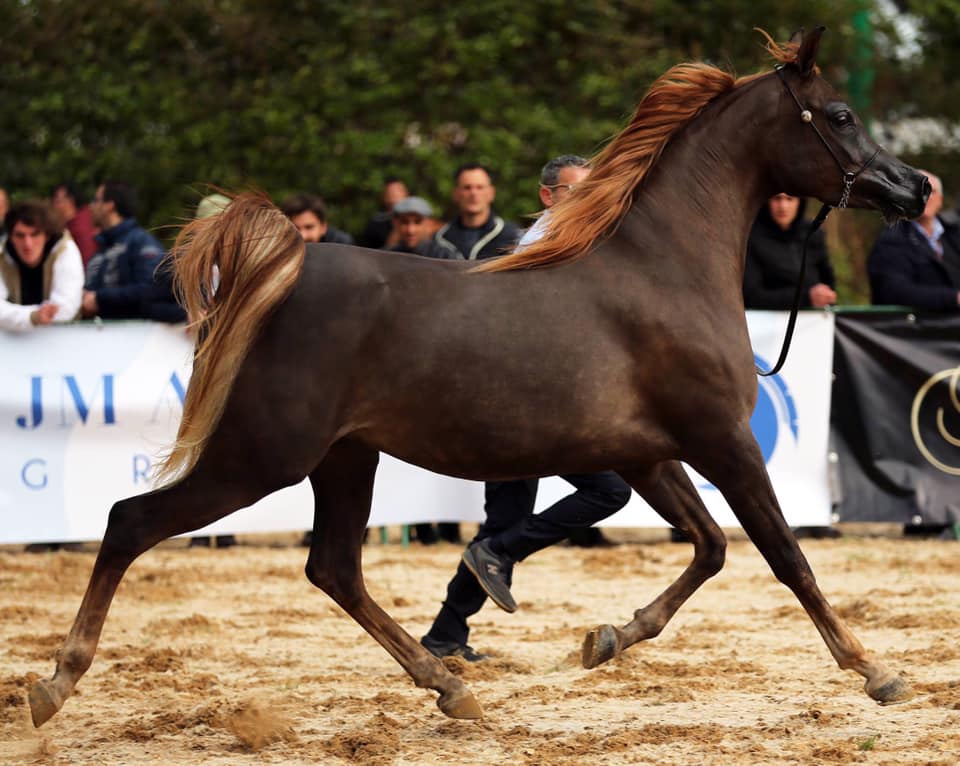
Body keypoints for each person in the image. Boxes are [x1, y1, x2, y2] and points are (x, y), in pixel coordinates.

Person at [419, 156, 632, 661]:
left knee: (503, 524)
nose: (587, 199)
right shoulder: (544, 244)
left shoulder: (567, 237)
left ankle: (446, 634)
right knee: (608, 490)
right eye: (575, 191)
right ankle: (499, 557)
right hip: (531, 408)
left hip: (529, 405)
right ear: (548, 196)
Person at [868, 170, 960, 312]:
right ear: (905, 198)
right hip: (912, 330)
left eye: (931, 191)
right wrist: (954, 298)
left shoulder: (953, 233)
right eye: (918, 191)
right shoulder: (891, 240)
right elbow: (895, 292)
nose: (925, 197)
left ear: (940, 200)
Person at [83, 181, 165, 319]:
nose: (91, 206)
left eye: (96, 200)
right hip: (100, 334)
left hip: (137, 336)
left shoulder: (141, 243)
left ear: (109, 205)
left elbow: (150, 290)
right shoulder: (101, 247)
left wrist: (99, 298)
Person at [743, 193, 837, 310]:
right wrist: (806, 298)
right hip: (765, 321)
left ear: (800, 202)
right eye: (777, 199)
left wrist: (825, 296)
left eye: (790, 199)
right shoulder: (751, 237)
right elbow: (752, 296)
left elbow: (829, 282)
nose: (783, 206)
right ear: (766, 201)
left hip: (814, 321)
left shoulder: (813, 233)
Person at [1, 200, 83, 332]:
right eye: (20, 235)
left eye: (35, 234)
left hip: (63, 339)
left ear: (47, 235)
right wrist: (32, 316)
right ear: (10, 237)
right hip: (14, 341)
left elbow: (66, 308)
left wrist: (38, 316)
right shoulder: (2, 255)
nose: (28, 244)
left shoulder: (64, 250)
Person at [427, 164, 520, 260]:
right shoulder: (440, 240)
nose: (473, 193)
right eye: (467, 187)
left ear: (491, 193)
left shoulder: (512, 237)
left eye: (480, 187)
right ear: (456, 193)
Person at [51, 182, 98, 267]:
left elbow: (87, 261)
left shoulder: (79, 228)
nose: (54, 206)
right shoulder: (85, 217)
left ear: (71, 201)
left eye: (57, 201)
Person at [280, 193, 354, 246]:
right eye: (295, 228)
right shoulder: (278, 245)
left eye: (309, 227)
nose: (303, 235)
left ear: (323, 227)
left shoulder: (341, 244)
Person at [359, 176, 409, 249]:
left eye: (397, 193)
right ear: (384, 197)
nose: (394, 197)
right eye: (390, 193)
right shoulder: (376, 224)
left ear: (406, 194)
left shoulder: (420, 218)